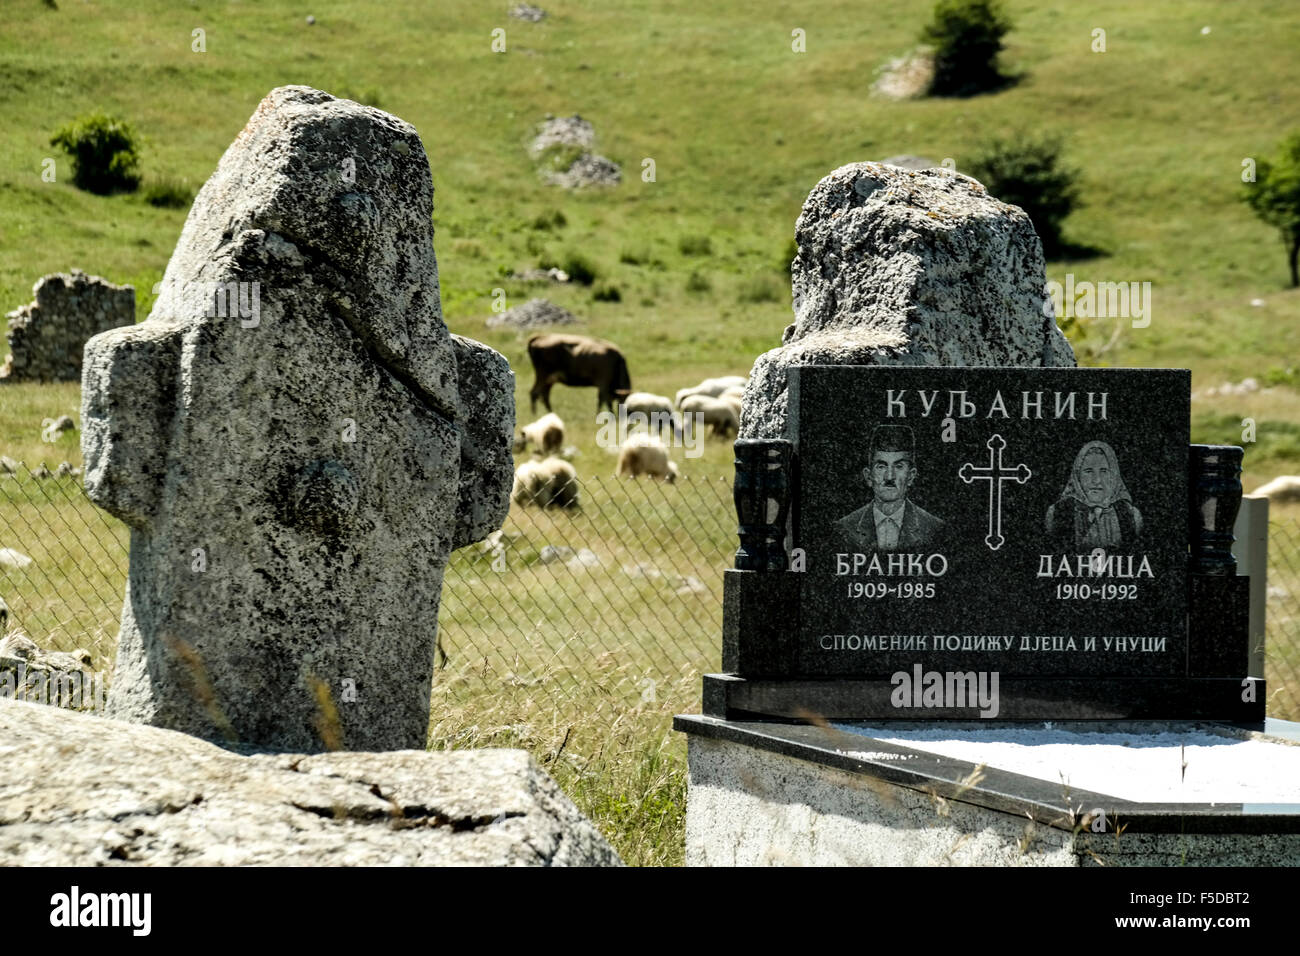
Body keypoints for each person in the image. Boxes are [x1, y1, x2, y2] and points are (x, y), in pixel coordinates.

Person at [837, 424, 944, 552]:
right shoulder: (844, 528)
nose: (889, 476)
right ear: (868, 476)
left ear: (911, 476)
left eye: (899, 466)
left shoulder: (934, 528)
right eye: (881, 466)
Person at [1046, 440, 1142, 551]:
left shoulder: (1132, 516)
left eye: (1104, 471)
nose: (1096, 480)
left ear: (1114, 475)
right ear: (1077, 477)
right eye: (1088, 471)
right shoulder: (1056, 514)